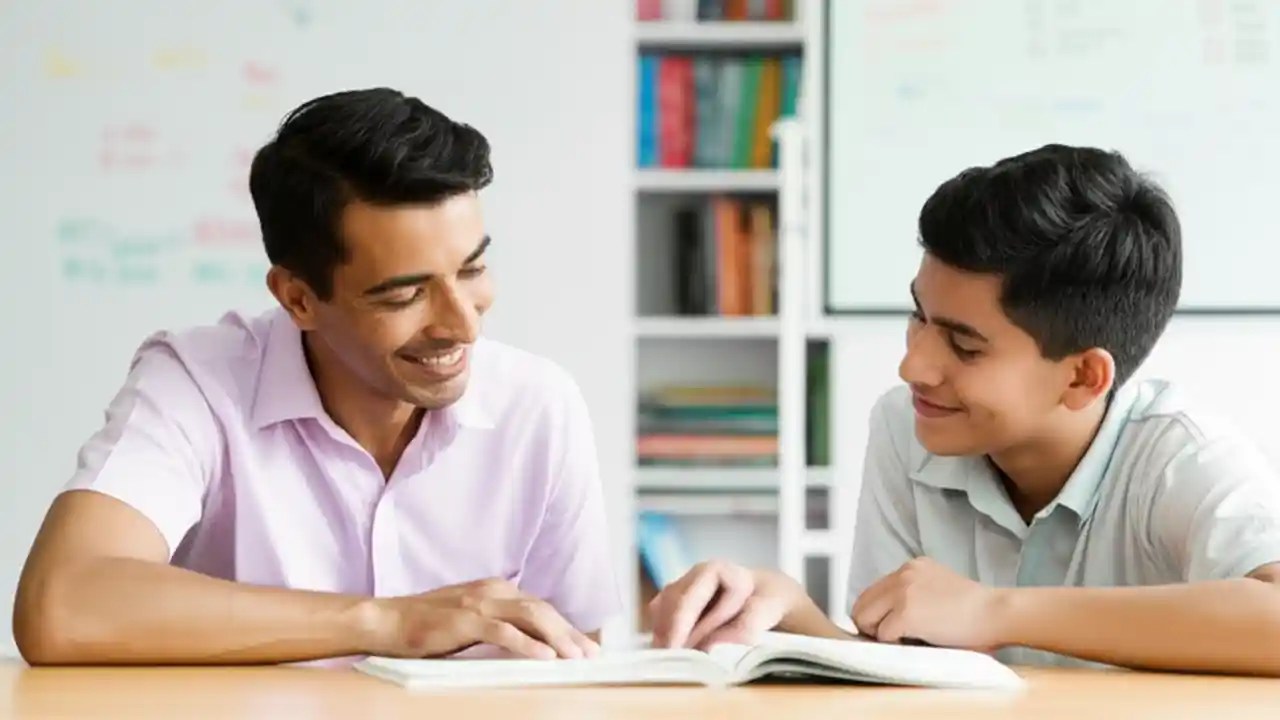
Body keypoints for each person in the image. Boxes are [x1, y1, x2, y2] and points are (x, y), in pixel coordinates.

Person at [13, 88, 618, 665]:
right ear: (298, 299)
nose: (462, 325)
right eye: (404, 295)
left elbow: (574, 658)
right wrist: (387, 623)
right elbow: (62, 605)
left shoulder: (538, 406)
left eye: (472, 269)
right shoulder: (198, 383)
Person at [648, 144, 1280, 675]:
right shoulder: (909, 425)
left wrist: (996, 611)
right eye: (918, 316)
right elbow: (895, 668)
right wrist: (791, 611)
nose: (913, 366)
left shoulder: (1180, 454)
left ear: (1083, 377)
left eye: (964, 345)